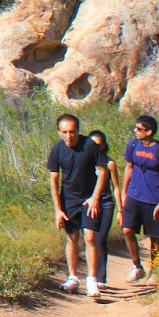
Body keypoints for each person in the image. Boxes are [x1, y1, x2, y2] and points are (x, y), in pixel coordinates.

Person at [46, 113, 109, 297]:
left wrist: (95, 197)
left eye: (72, 131)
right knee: (72, 238)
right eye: (64, 132)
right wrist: (58, 210)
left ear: (78, 130)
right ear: (59, 132)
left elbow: (103, 170)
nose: (69, 136)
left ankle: (92, 280)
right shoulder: (57, 149)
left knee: (90, 237)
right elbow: (53, 180)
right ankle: (73, 277)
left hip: (88, 198)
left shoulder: (89, 145)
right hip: (69, 200)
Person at [121, 114, 159, 281]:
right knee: (127, 229)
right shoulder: (133, 145)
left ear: (149, 132)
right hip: (134, 195)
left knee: (154, 237)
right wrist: (124, 192)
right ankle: (137, 266)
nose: (135, 131)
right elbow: (129, 168)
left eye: (139, 129)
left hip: (153, 199)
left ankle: (155, 270)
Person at [87, 130, 120, 289]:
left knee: (100, 238)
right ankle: (91, 276)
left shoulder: (109, 163)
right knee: (90, 238)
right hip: (88, 203)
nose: (96, 148)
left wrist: (120, 210)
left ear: (104, 145)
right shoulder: (85, 162)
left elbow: (116, 187)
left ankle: (100, 278)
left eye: (99, 145)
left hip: (106, 203)